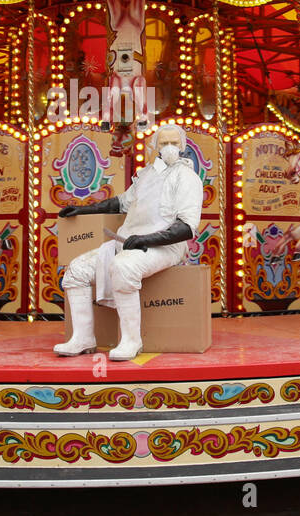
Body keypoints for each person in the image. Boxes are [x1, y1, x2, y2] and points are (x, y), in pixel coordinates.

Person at [55, 122, 203, 361]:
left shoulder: (187, 177)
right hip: (130, 242)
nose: (169, 147)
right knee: (76, 269)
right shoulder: (145, 175)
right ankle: (82, 338)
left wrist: (147, 239)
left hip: (166, 246)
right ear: (154, 146)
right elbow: (120, 203)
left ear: (183, 145)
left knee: (123, 267)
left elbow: (185, 227)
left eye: (174, 143)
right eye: (163, 143)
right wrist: (82, 210)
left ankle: (131, 340)